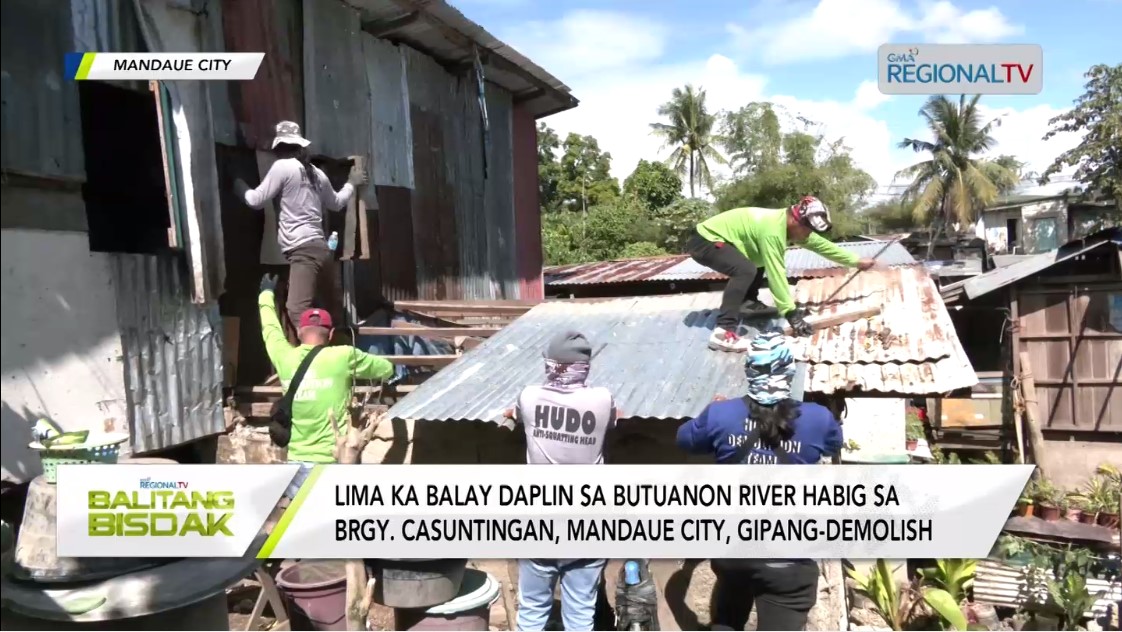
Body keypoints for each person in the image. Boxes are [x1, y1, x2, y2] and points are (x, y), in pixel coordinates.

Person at [675, 330, 843, 631]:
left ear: (750, 370)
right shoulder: (818, 418)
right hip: (788, 560)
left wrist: (716, 416)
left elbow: (685, 439)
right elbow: (832, 445)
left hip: (733, 554)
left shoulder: (720, 414)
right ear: (789, 371)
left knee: (726, 616)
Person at [504, 331, 617, 631]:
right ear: (585, 367)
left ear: (550, 364)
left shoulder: (528, 397)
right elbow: (615, 421)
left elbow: (513, 414)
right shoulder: (603, 400)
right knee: (580, 616)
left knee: (531, 612)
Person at [258, 274, 395, 499]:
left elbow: (270, 330)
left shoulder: (284, 357)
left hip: (297, 463)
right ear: (331, 334)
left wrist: (265, 294)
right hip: (335, 461)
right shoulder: (343, 356)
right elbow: (385, 369)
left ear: (300, 333)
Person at [686, 196, 875, 352]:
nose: (808, 236)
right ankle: (723, 332)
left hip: (724, 240)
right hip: (705, 240)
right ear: (795, 220)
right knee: (745, 269)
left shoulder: (791, 226)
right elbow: (776, 272)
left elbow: (822, 246)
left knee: (754, 258)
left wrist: (856, 261)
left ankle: (747, 303)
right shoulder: (772, 231)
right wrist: (791, 313)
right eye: (807, 230)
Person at [236, 121, 368, 328]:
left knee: (297, 309)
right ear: (300, 146)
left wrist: (238, 184)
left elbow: (254, 200)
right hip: (323, 250)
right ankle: (341, 350)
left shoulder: (282, 166)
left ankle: (311, 355)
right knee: (332, 311)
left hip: (303, 250)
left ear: (279, 147)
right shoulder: (316, 173)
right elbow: (336, 203)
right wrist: (351, 183)